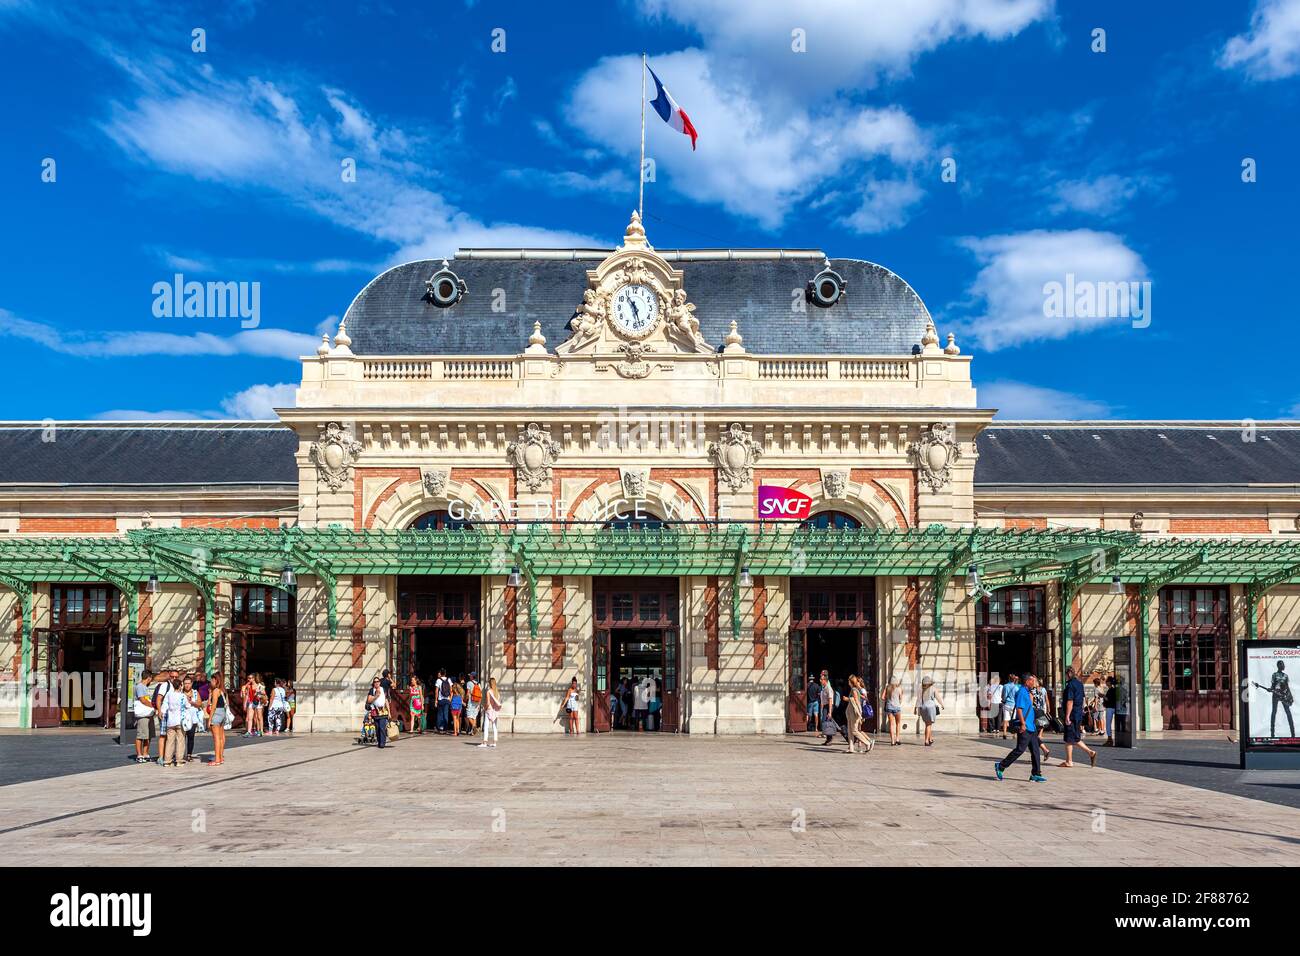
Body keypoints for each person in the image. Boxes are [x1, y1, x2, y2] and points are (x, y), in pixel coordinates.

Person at [994, 672, 1046, 782]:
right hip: (1025, 727)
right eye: (1032, 680)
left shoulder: (1027, 692)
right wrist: (1022, 724)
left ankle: (1036, 774)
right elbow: (1019, 709)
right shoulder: (1022, 692)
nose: (1034, 682)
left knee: (1035, 751)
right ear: (1027, 681)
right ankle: (1001, 766)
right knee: (1020, 750)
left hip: (1031, 727)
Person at [1060, 667, 1099, 768]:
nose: (1064, 676)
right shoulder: (1080, 684)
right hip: (1078, 714)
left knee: (1068, 739)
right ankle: (1091, 752)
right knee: (1075, 737)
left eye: (1065, 674)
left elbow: (1070, 701)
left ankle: (1069, 761)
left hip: (1072, 715)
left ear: (1068, 674)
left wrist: (1067, 716)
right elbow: (1082, 698)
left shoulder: (1070, 685)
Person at [159, 677, 188, 768]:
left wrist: (162, 713)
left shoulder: (169, 694)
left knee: (170, 741)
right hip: (180, 721)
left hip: (170, 721)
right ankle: (179, 760)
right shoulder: (182, 695)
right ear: (180, 686)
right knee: (180, 740)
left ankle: (167, 760)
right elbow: (187, 705)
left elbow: (164, 706)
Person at [133, 670, 157, 763]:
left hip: (148, 714)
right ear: (149, 677)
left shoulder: (145, 687)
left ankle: (145, 753)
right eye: (151, 678)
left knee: (148, 735)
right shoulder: (140, 687)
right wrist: (152, 706)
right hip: (143, 715)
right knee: (141, 735)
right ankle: (139, 755)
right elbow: (142, 700)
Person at [844, 675, 873, 754]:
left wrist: (848, 699)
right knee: (850, 731)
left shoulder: (854, 690)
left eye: (849, 681)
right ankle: (851, 747)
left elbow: (857, 701)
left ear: (851, 682)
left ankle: (867, 742)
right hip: (850, 713)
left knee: (854, 731)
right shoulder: (853, 690)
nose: (848, 682)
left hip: (854, 713)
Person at [206, 675, 229, 766]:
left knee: (216, 739)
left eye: (212, 679)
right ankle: (220, 757)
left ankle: (217, 759)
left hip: (216, 714)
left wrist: (209, 719)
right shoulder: (222, 691)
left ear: (216, 681)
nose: (211, 681)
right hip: (222, 713)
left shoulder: (216, 691)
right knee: (220, 737)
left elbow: (213, 706)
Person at [915, 676, 944, 746]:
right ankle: (926, 741)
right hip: (931, 707)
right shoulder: (933, 688)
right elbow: (938, 698)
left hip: (923, 707)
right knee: (929, 725)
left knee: (927, 724)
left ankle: (930, 739)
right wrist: (942, 704)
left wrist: (915, 708)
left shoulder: (920, 689)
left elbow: (918, 699)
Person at [181, 675, 203, 763]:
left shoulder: (195, 692)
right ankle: (181, 755)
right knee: (181, 737)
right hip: (183, 718)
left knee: (191, 737)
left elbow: (200, 703)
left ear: (191, 684)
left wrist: (191, 702)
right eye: (185, 683)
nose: (187, 685)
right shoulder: (180, 692)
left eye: (188, 683)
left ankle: (189, 754)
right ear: (183, 684)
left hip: (193, 718)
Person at [366, 676, 390, 748]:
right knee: (377, 728)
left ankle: (382, 743)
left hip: (383, 711)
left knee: (382, 727)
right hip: (375, 712)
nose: (376, 683)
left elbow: (386, 700)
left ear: (380, 682)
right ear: (373, 683)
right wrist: (376, 696)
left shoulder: (383, 689)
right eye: (375, 682)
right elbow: (369, 700)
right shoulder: (372, 690)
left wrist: (389, 712)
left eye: (377, 681)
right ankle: (380, 742)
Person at [479, 676, 502, 748]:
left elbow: (488, 702)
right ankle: (494, 742)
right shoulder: (497, 692)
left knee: (486, 726)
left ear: (489, 683)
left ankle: (485, 742)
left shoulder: (489, 691)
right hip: (495, 711)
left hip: (489, 710)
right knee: (495, 726)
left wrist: (484, 708)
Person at [881, 679, 903, 746]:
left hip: (889, 707)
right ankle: (897, 739)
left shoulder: (887, 688)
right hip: (897, 707)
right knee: (898, 723)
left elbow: (882, 697)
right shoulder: (899, 688)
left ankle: (892, 741)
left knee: (891, 724)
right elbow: (901, 699)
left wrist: (888, 700)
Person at [818, 671, 838, 746]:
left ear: (825, 680)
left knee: (827, 722)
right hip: (825, 706)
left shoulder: (828, 688)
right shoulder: (824, 688)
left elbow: (830, 700)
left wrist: (830, 712)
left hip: (829, 706)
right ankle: (827, 739)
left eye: (821, 679)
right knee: (825, 722)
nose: (820, 680)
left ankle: (830, 738)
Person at [1000, 674, 1021, 739]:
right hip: (1013, 705)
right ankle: (1014, 734)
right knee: (1014, 719)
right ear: (1014, 680)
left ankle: (1004, 733)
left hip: (1006, 704)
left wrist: (1004, 700)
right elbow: (1017, 697)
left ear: (1009, 679)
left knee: (1005, 719)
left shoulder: (1005, 686)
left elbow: (1003, 695)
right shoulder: (1016, 687)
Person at [434, 669, 452, 734]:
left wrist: (436, 700)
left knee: (440, 714)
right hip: (447, 699)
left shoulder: (438, 680)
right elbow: (451, 690)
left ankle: (439, 728)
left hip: (440, 699)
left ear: (440, 673)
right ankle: (445, 728)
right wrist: (450, 698)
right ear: (445, 673)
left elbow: (436, 691)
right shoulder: (449, 680)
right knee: (446, 714)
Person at [465, 672, 481, 737]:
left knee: (468, 716)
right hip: (477, 701)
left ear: (472, 676)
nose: (469, 677)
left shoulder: (469, 683)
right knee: (474, 716)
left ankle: (474, 728)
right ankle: (473, 732)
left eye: (470, 676)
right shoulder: (478, 684)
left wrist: (465, 699)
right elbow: (480, 694)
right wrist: (479, 704)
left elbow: (468, 693)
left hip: (471, 701)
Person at [1103, 676, 1118, 745]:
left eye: (1107, 681)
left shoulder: (1111, 690)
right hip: (1114, 707)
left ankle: (1109, 739)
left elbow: (1108, 699)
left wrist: (1103, 696)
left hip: (1110, 708)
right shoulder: (1114, 689)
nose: (1106, 682)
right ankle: (1110, 739)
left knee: (1108, 723)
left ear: (1109, 682)